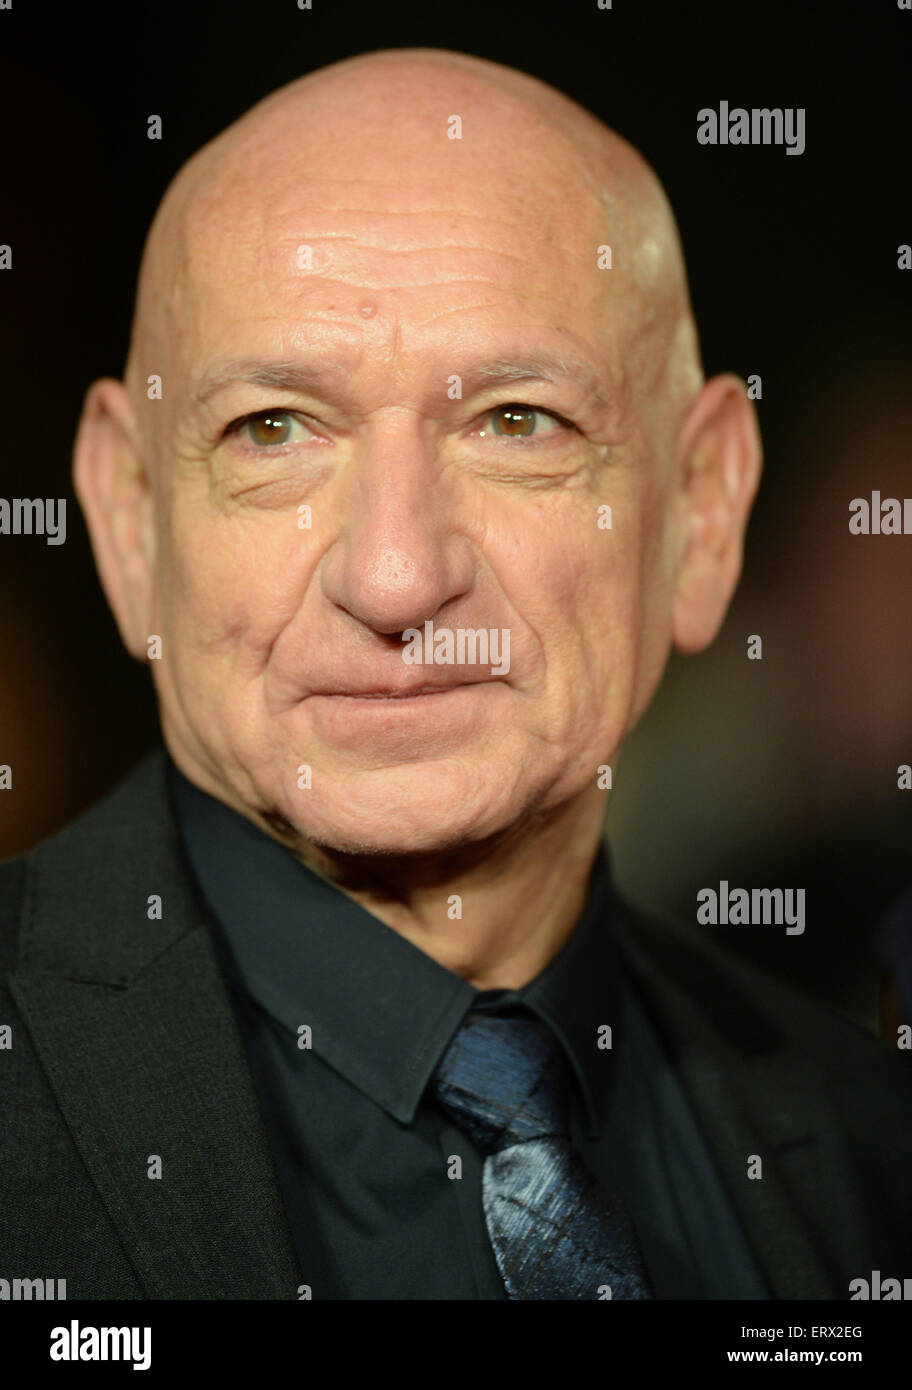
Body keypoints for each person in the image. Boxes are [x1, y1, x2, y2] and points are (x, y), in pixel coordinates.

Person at [1, 47, 909, 1301]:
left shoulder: (871, 1143)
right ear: (130, 520)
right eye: (272, 428)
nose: (392, 574)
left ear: (700, 514)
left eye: (516, 422)